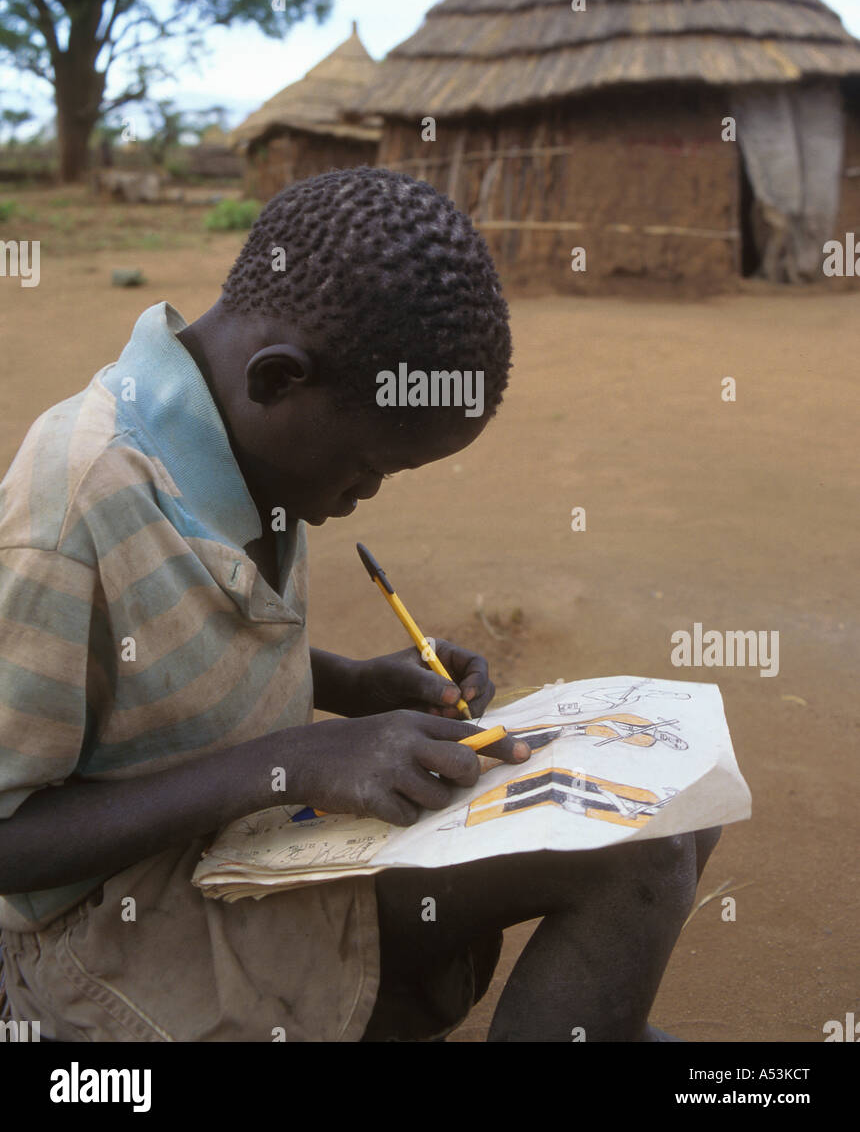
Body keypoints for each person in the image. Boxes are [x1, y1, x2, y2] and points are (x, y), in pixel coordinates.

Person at [0, 166, 719, 1042]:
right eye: (369, 464)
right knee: (634, 860)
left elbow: (151, 665)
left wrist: (352, 683)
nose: (367, 492)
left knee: (670, 808)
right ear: (278, 381)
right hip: (122, 940)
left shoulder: (243, 439)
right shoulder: (76, 503)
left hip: (249, 847)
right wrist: (290, 763)